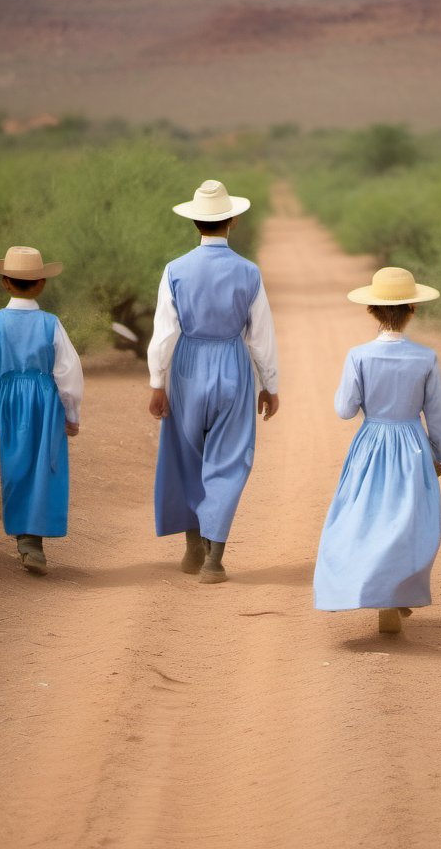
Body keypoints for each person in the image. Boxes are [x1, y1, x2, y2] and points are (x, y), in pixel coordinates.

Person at [148, 179, 279, 584]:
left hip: (187, 364)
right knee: (228, 460)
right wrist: (269, 385)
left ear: (194, 222)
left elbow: (164, 333)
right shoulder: (249, 272)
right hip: (233, 364)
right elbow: (261, 337)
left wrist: (157, 382)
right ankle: (214, 559)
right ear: (233, 221)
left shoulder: (175, 270)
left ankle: (191, 546)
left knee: (187, 456)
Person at [314, 266, 441, 634]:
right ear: (413, 310)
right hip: (412, 444)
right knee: (408, 521)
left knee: (363, 518)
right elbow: (437, 414)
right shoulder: (425, 357)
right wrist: (438, 453)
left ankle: (371, 590)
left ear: (372, 311)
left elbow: (345, 409)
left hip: (371, 443)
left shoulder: (358, 356)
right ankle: (396, 592)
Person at [0, 246, 83, 575]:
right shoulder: (51, 323)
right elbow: (68, 372)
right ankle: (35, 540)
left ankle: (26, 540)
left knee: (15, 462)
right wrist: (71, 414)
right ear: (41, 284)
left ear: (5, 282)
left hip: (7, 397)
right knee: (46, 462)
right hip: (45, 397)